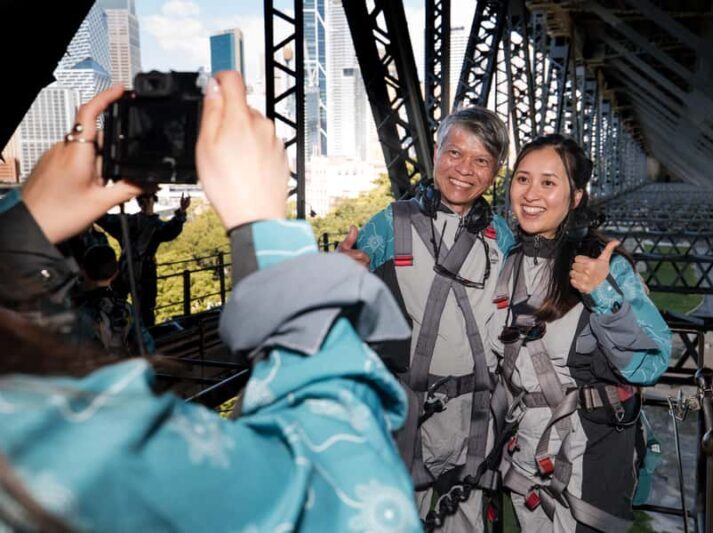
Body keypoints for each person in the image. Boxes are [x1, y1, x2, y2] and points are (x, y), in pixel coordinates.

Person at [0, 72, 420, 532]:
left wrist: (22, 232)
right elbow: (350, 495)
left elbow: (160, 233)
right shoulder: (65, 441)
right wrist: (267, 230)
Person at [338, 107, 515, 530]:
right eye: (455, 153)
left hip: (474, 413)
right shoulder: (389, 225)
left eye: (481, 161)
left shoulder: (501, 237)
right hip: (404, 412)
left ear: (495, 172)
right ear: (435, 152)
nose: (464, 170)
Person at [489, 134, 671, 532]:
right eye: (523, 179)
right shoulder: (508, 261)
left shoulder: (605, 267)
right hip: (526, 453)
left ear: (575, 197)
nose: (532, 193)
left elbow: (650, 364)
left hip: (594, 452)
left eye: (549, 182)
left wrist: (603, 296)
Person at [96, 190, 190, 327]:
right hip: (136, 271)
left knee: (141, 309)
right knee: (119, 305)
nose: (144, 202)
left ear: (153, 199)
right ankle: (134, 337)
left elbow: (171, 229)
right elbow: (104, 219)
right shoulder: (131, 223)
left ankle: (135, 336)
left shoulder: (129, 223)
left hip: (129, 270)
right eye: (141, 199)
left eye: (147, 198)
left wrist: (181, 211)